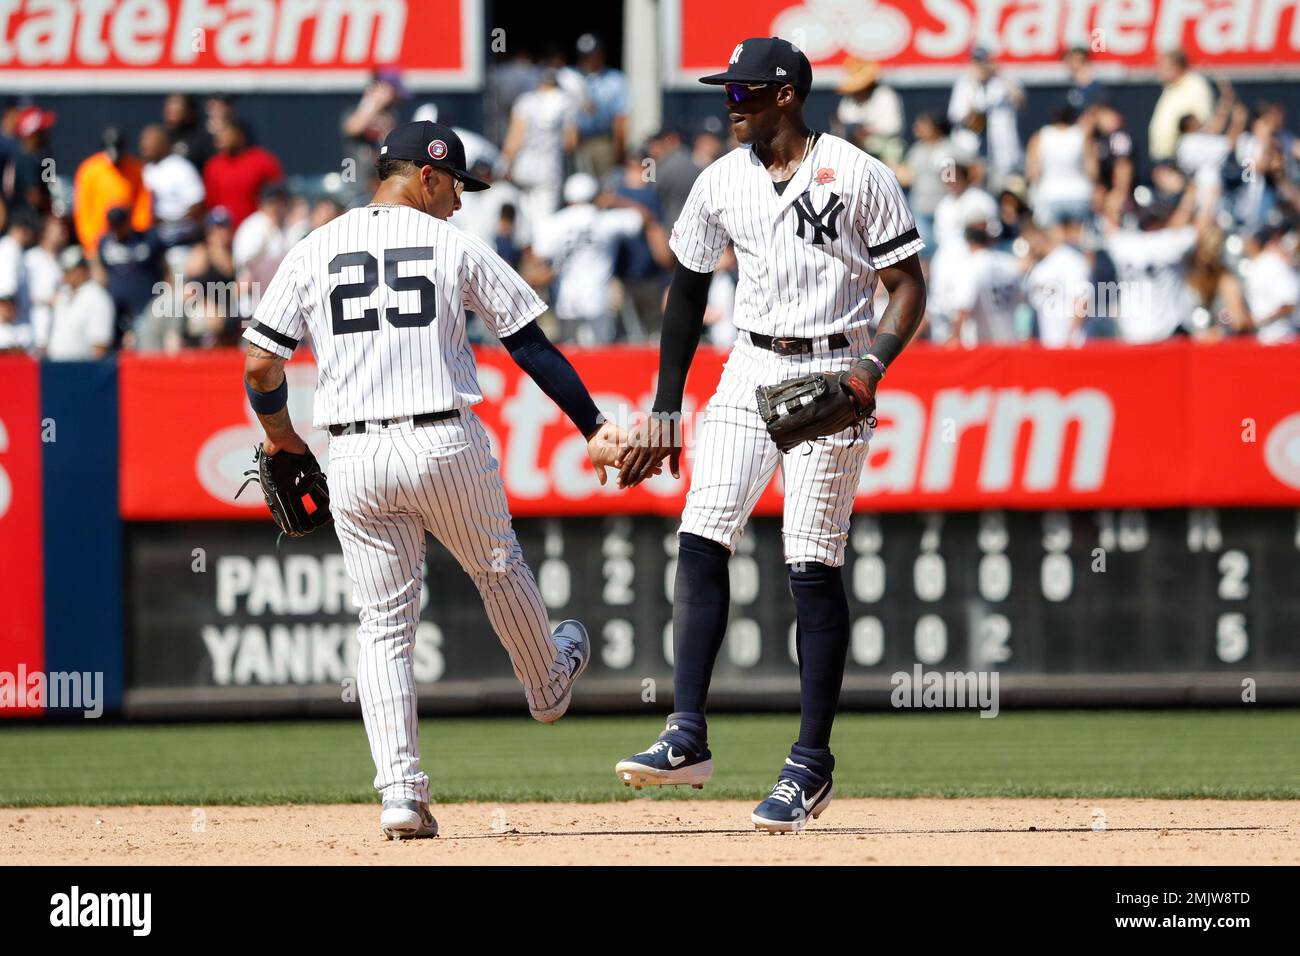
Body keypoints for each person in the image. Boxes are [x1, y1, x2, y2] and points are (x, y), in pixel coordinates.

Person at [241, 121, 634, 839]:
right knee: (497, 566)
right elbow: (530, 347)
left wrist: (281, 437)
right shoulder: (453, 243)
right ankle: (547, 687)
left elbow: (261, 368)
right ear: (425, 175)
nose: (460, 201)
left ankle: (399, 794)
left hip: (353, 453)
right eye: (455, 184)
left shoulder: (313, 247)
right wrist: (591, 426)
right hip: (444, 437)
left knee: (384, 626)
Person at [612, 38, 927, 833]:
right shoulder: (720, 180)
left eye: (746, 90)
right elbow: (684, 296)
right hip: (748, 368)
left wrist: (871, 369)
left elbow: (908, 289)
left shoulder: (856, 173)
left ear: (787, 94)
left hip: (832, 377)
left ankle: (810, 765)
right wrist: (664, 405)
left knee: (810, 565)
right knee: (701, 532)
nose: (732, 101)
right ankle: (687, 734)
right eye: (729, 89)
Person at [500, 69, 578, 234]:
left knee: (527, 220)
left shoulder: (525, 101)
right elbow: (570, 142)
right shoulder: (565, 101)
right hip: (549, 169)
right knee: (545, 222)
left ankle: (527, 256)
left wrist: (505, 164)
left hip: (523, 168)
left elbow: (514, 139)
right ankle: (541, 256)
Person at [948, 47, 1024, 188]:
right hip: (973, 156)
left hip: (1003, 157)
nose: (981, 66)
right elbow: (959, 117)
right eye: (977, 62)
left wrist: (1000, 73)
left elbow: (1019, 99)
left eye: (984, 62)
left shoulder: (1001, 82)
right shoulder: (965, 84)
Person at [73, 128, 153, 257]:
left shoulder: (135, 168)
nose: (114, 158)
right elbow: (83, 210)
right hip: (98, 241)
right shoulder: (89, 170)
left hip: (129, 240)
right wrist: (90, 243)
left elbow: (142, 205)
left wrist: (138, 236)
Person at [946, 220, 1026, 345]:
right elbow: (1023, 300)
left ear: (970, 241)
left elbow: (963, 308)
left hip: (981, 349)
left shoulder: (970, 266)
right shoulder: (1010, 263)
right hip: (1011, 344)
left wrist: (954, 337)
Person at [139, 123, 205, 273]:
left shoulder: (181, 168)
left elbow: (196, 206)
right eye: (143, 141)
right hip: (150, 247)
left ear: (163, 143)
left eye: (150, 142)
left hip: (178, 246)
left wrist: (169, 220)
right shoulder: (143, 170)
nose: (144, 146)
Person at [98, 206, 166, 345]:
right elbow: (100, 270)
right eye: (113, 225)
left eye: (119, 224)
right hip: (116, 309)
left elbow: (164, 267)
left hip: (145, 306)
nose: (116, 229)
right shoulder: (104, 243)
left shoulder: (148, 240)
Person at [1025, 215, 1093, 347]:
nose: (1029, 246)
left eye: (1030, 239)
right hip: (1048, 341)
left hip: (1071, 343)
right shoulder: (1037, 267)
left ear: (1040, 236)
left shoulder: (1070, 260)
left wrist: (1071, 336)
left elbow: (1082, 299)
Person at [202, 120, 283, 228]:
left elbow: (277, 194)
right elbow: (210, 202)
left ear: (240, 135)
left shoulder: (262, 161)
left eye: (226, 134)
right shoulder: (213, 165)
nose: (222, 138)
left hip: (255, 230)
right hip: (223, 232)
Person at [1025, 104, 1096, 226]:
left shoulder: (1040, 137)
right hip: (1079, 196)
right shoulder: (1082, 136)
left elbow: (1033, 172)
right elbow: (1092, 171)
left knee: (1052, 242)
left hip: (1049, 196)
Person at [896, 112, 956, 256]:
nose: (917, 128)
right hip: (920, 207)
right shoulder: (917, 150)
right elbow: (908, 175)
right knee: (924, 247)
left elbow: (953, 179)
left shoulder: (948, 149)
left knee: (944, 248)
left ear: (936, 127)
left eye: (923, 125)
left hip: (943, 207)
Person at [572, 34, 628, 179]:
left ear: (601, 55)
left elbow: (620, 119)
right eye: (584, 56)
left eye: (592, 55)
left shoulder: (615, 79)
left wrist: (619, 151)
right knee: (580, 185)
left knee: (607, 186)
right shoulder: (571, 77)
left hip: (603, 142)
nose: (588, 60)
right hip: (578, 141)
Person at [44, 246, 114, 360]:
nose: (63, 275)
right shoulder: (63, 295)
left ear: (80, 270)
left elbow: (100, 348)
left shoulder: (98, 298)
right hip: (54, 369)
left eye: (67, 271)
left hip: (81, 372)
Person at [833, 58, 904, 164]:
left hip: (885, 150)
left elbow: (893, 126)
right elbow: (841, 127)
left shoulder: (885, 95)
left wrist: (866, 131)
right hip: (853, 148)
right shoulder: (848, 100)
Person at [1149, 51, 1214, 162]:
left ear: (1176, 67)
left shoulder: (1195, 85)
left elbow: (1201, 121)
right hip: (1164, 157)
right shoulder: (1170, 88)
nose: (1159, 71)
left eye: (1163, 67)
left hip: (1183, 159)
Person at [1239, 222, 1298, 343]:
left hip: (1282, 338)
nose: (1244, 244)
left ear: (1256, 242)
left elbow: (1289, 304)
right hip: (1261, 339)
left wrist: (1259, 320)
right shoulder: (1253, 265)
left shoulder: (1273, 264)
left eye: (1247, 239)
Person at [162, 94, 214, 171]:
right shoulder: (161, 139)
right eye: (169, 106)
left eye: (177, 103)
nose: (172, 109)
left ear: (189, 111)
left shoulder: (203, 140)